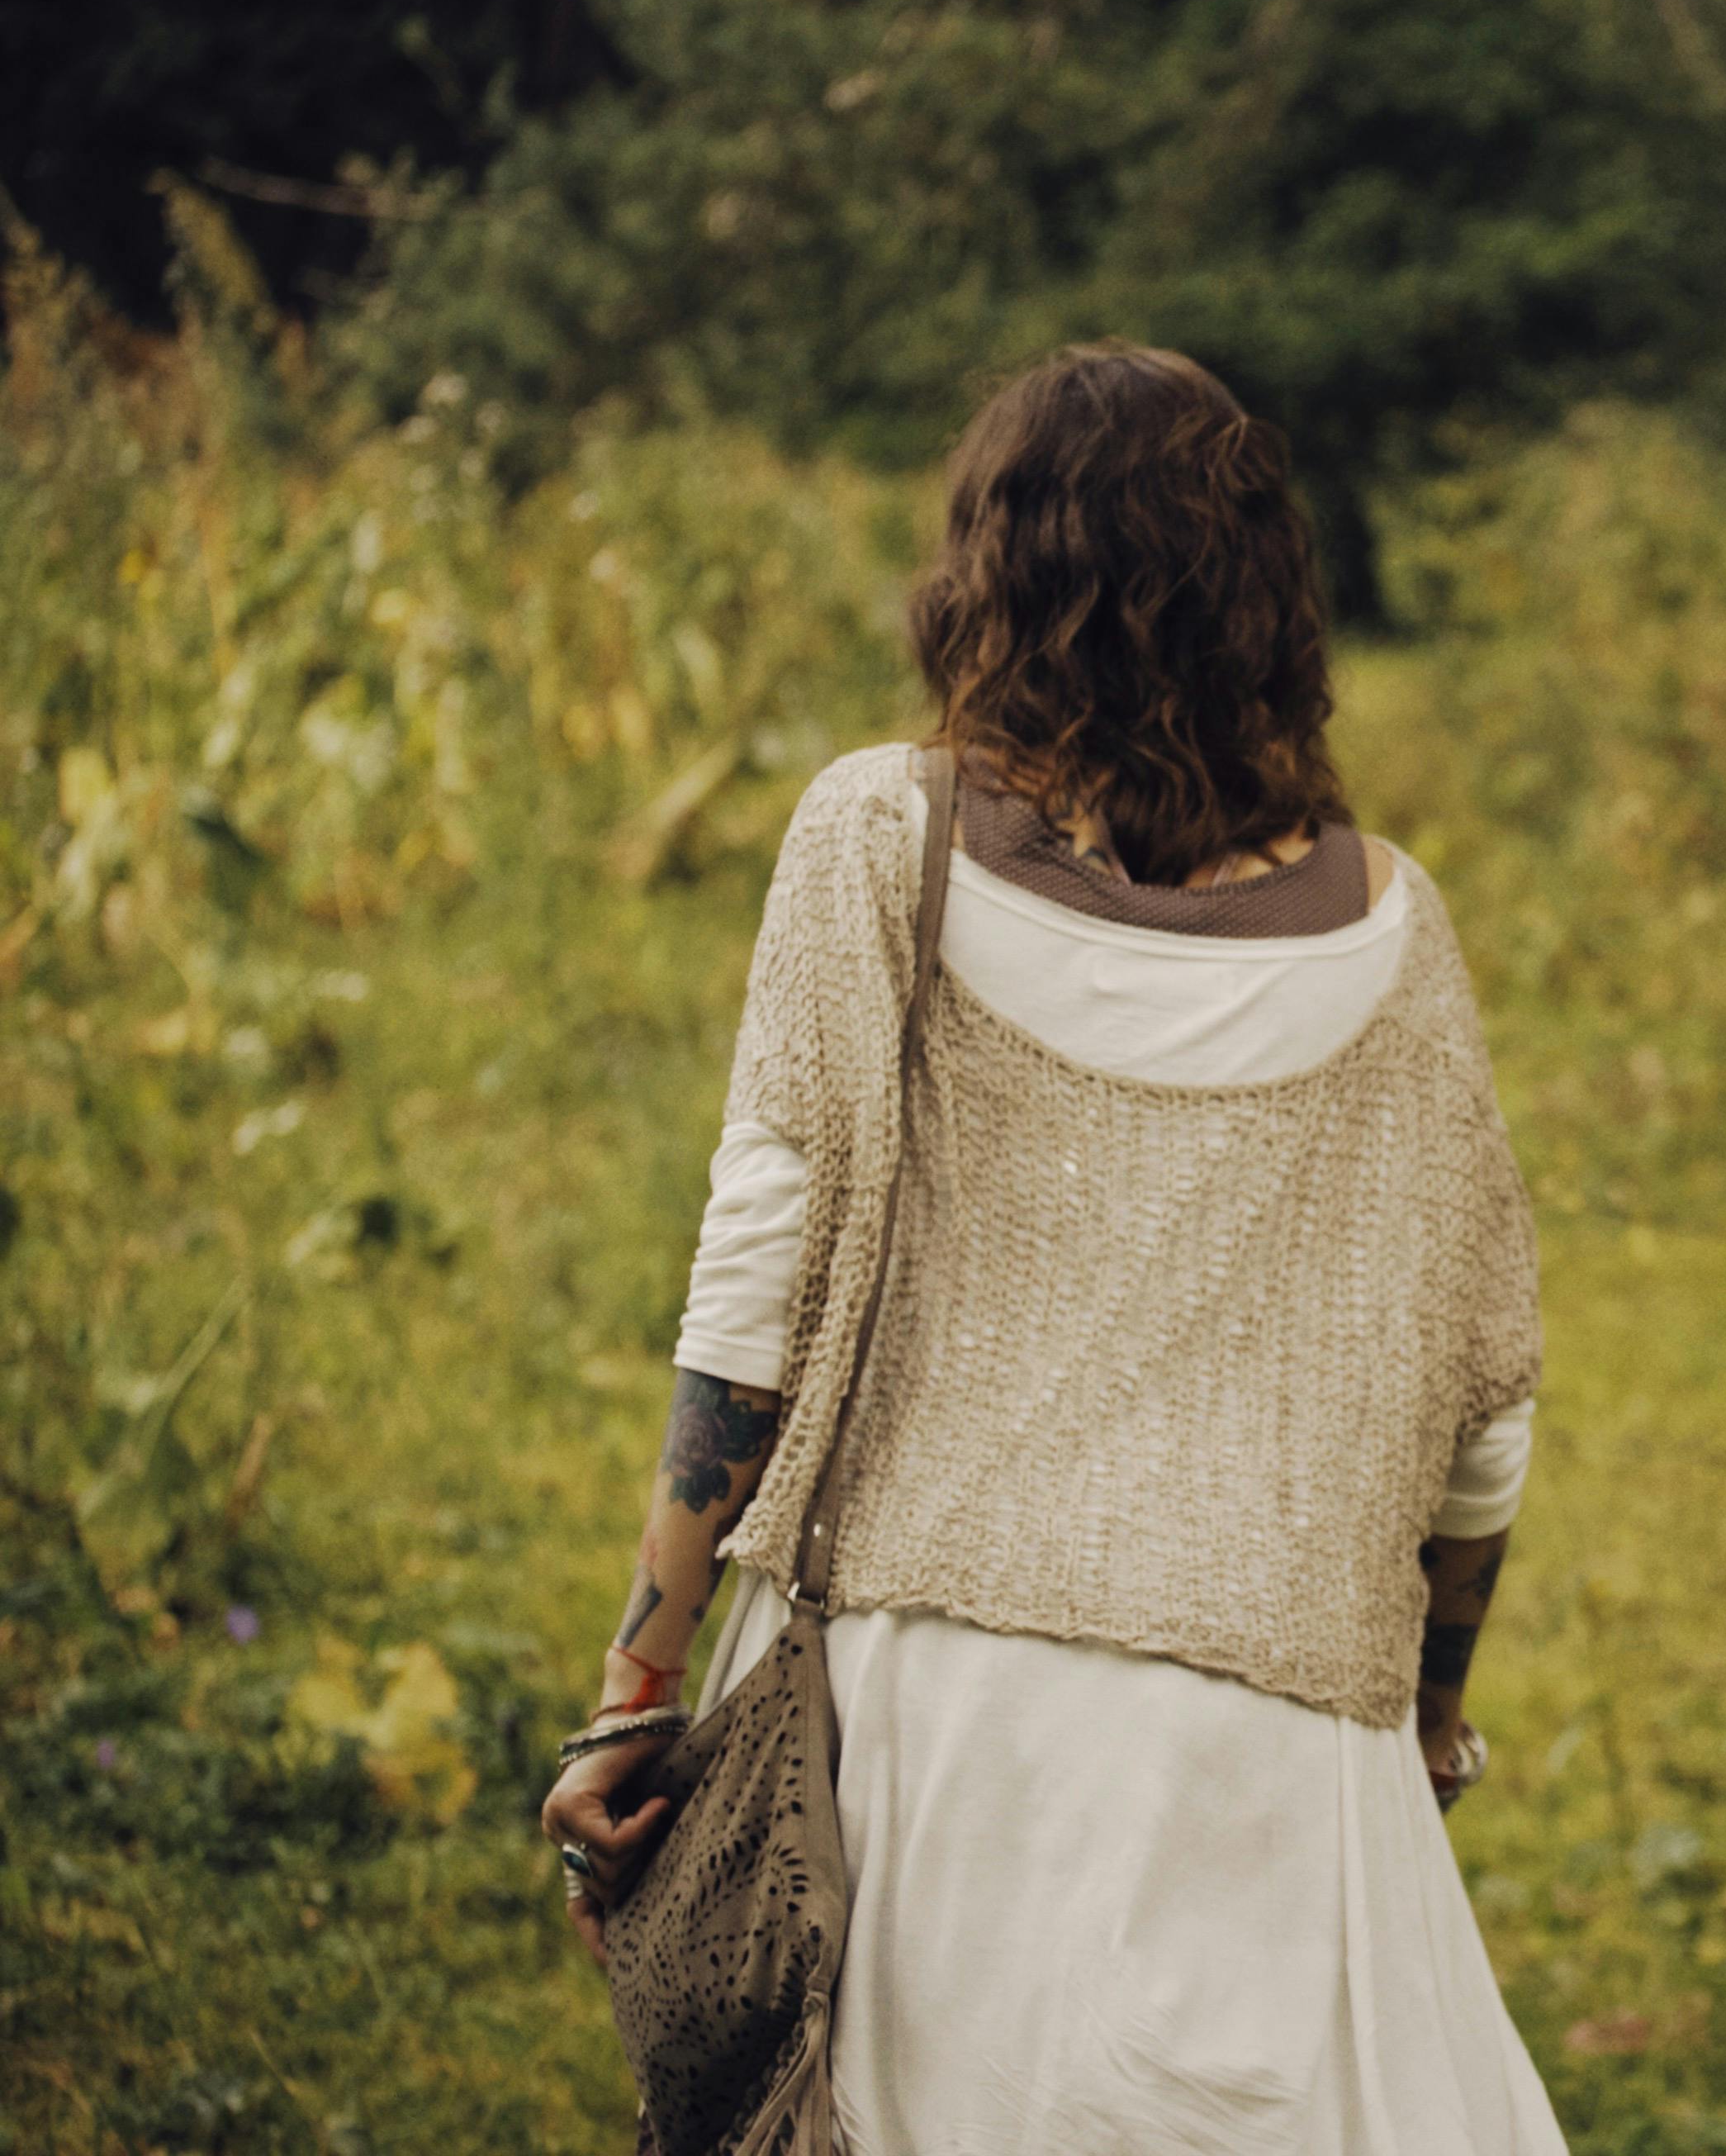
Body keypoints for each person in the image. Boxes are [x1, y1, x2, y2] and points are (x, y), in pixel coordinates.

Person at [537, 342, 1565, 2153]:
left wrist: (635, 1690)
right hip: (1285, 1754)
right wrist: (1426, 1727)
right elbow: (1484, 1421)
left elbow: (750, 1309)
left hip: (935, 1744)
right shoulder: (1398, 940)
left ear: (982, 587)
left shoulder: (877, 838)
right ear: (1271, 607)